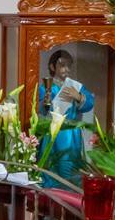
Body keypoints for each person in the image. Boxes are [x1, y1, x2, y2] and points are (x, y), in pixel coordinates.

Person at [38, 48, 94, 183]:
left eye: (69, 65)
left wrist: (79, 96)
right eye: (62, 65)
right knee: (51, 167)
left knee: (70, 168)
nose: (66, 69)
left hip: (71, 132)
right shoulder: (45, 87)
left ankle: (71, 194)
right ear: (52, 66)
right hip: (52, 131)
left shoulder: (75, 87)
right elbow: (41, 109)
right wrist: (46, 102)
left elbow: (89, 103)